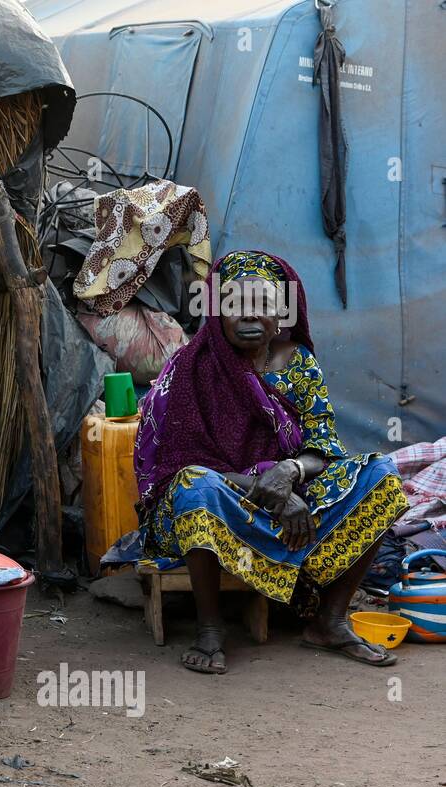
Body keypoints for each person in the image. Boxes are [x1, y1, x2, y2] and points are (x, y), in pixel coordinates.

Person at [134, 250, 407, 674]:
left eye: (262, 305)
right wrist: (268, 487)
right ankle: (210, 630)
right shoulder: (194, 366)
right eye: (236, 304)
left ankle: (329, 622)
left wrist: (289, 471)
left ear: (280, 314)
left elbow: (323, 446)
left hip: (292, 498)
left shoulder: (296, 361)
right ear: (218, 312)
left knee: (381, 476)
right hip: (221, 503)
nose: (249, 316)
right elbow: (178, 466)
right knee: (194, 484)